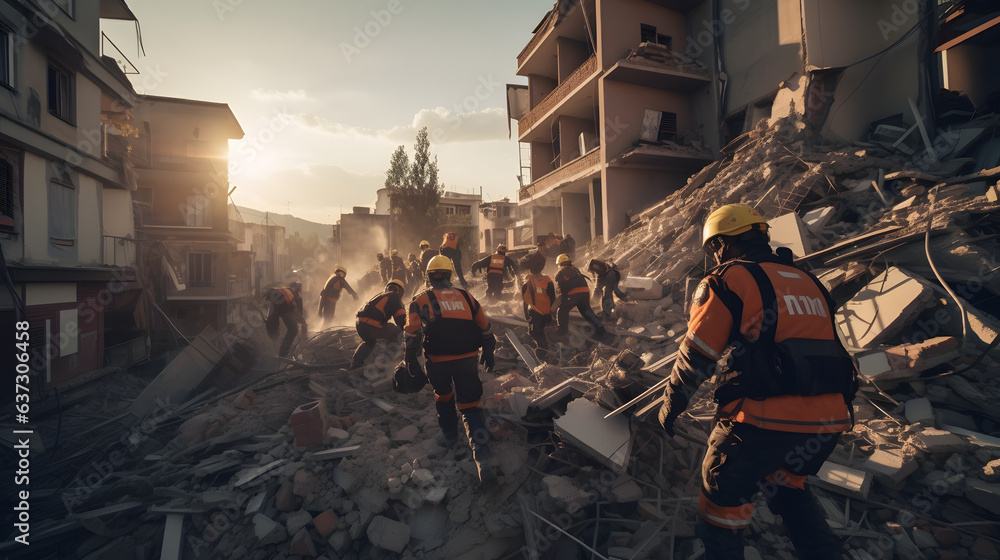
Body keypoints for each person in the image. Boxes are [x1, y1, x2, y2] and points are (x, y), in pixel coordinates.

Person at [657, 203, 857, 560]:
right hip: (826, 423)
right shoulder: (807, 279)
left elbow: (698, 354)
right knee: (790, 493)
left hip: (761, 421)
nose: (716, 256)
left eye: (716, 248)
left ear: (726, 244)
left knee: (721, 505)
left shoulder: (728, 279)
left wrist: (672, 405)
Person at [404, 255, 497, 486]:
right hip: (467, 359)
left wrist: (410, 359)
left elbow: (411, 334)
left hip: (438, 361)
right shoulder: (466, 296)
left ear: (428, 277)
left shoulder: (420, 300)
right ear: (450, 274)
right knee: (469, 406)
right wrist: (488, 351)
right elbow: (486, 328)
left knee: (444, 399)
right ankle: (482, 459)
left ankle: (453, 444)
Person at [350, 279, 407, 369]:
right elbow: (400, 320)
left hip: (360, 324)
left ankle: (355, 364)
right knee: (397, 332)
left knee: (369, 342)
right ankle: (385, 362)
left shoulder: (380, 296)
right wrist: (408, 331)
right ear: (400, 291)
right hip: (371, 325)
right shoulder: (394, 297)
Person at [554, 253, 605, 339]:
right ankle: (600, 331)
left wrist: (564, 300)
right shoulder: (576, 270)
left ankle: (562, 332)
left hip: (575, 294)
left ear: (560, 264)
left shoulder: (561, 272)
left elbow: (563, 287)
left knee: (562, 310)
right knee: (587, 312)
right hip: (585, 292)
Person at [521, 258, 556, 363]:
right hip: (547, 313)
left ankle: (543, 357)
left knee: (535, 334)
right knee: (544, 334)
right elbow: (553, 298)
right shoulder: (548, 281)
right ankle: (547, 353)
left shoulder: (527, 283)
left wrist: (526, 316)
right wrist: (551, 314)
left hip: (535, 313)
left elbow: (525, 302)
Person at [264, 282, 308, 357]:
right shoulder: (297, 296)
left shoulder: (284, 290)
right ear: (299, 290)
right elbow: (299, 315)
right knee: (293, 329)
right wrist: (304, 330)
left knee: (273, 328)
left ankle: (274, 350)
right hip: (284, 306)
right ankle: (283, 353)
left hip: (274, 304)